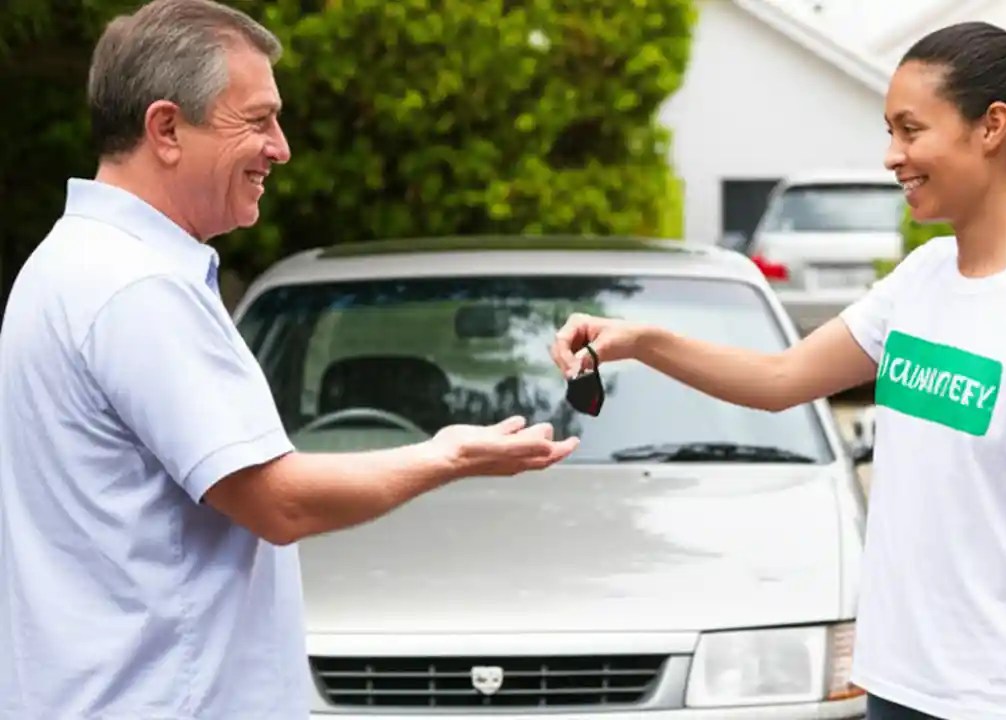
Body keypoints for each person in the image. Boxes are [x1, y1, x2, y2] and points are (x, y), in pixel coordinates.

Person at [552, 21, 1006, 720]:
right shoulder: (921, 279)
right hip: (896, 683)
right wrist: (642, 340)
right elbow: (780, 380)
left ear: (992, 127)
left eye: (910, 130)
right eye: (889, 132)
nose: (893, 156)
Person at [0, 1, 578, 718]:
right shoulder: (136, 286)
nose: (282, 147)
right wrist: (448, 458)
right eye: (258, 119)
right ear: (167, 128)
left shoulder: (67, 264)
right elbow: (277, 501)